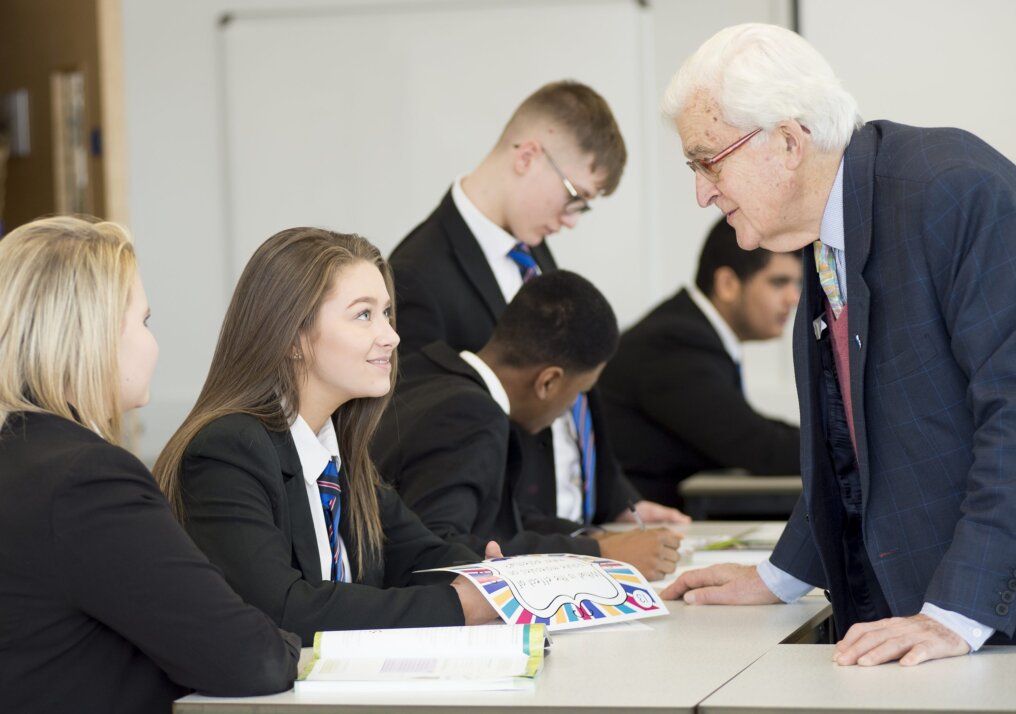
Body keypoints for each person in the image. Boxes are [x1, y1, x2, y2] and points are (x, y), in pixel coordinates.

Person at [658, 23, 1016, 666]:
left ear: (790, 142)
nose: (702, 192)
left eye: (707, 160)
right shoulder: (827, 234)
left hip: (989, 627)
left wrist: (959, 611)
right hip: (914, 625)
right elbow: (850, 443)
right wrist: (782, 576)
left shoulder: (953, 191)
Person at [0, 217, 299, 713]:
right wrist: (283, 641)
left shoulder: (25, 461)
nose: (152, 343)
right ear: (90, 334)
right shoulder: (86, 480)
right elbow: (253, 660)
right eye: (143, 321)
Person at [154, 228, 498, 646]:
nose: (391, 336)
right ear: (294, 338)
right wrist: (457, 606)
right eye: (364, 315)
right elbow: (281, 610)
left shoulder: (336, 449)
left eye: (387, 313)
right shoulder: (227, 450)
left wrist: (490, 580)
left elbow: (420, 556)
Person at [390, 79, 687, 530]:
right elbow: (426, 443)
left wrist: (618, 502)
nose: (570, 221)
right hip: (516, 544)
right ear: (527, 156)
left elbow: (576, 386)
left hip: (580, 531)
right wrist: (571, 541)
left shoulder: (531, 247)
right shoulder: (418, 273)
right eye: (574, 198)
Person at [373, 271, 683, 580]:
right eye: (578, 393)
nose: (570, 407)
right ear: (548, 382)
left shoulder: (425, 372)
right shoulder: (472, 415)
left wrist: (595, 539)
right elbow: (436, 550)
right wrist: (600, 556)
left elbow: (499, 521)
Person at [599, 216, 802, 509]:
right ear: (728, 284)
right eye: (778, 282)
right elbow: (759, 447)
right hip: (636, 526)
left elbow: (751, 429)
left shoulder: (694, 332)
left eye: (796, 283)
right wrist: (854, 447)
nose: (793, 298)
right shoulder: (674, 342)